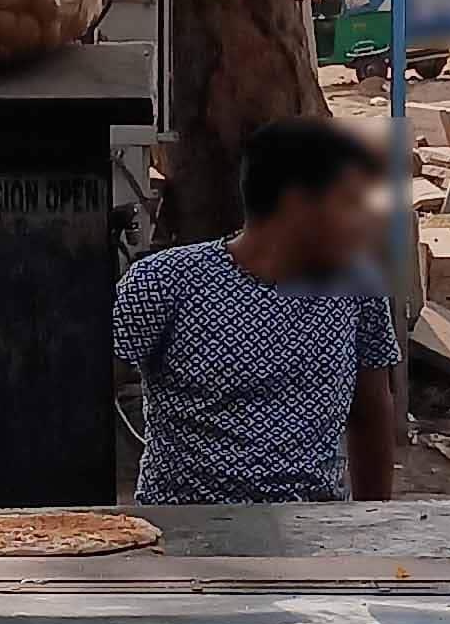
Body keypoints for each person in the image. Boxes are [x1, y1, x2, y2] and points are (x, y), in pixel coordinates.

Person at [114, 118, 399, 508]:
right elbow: (85, 399)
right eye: (350, 202)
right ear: (297, 206)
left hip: (318, 529)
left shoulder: (358, 286)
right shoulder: (164, 282)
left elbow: (371, 410)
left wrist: (374, 526)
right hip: (186, 534)